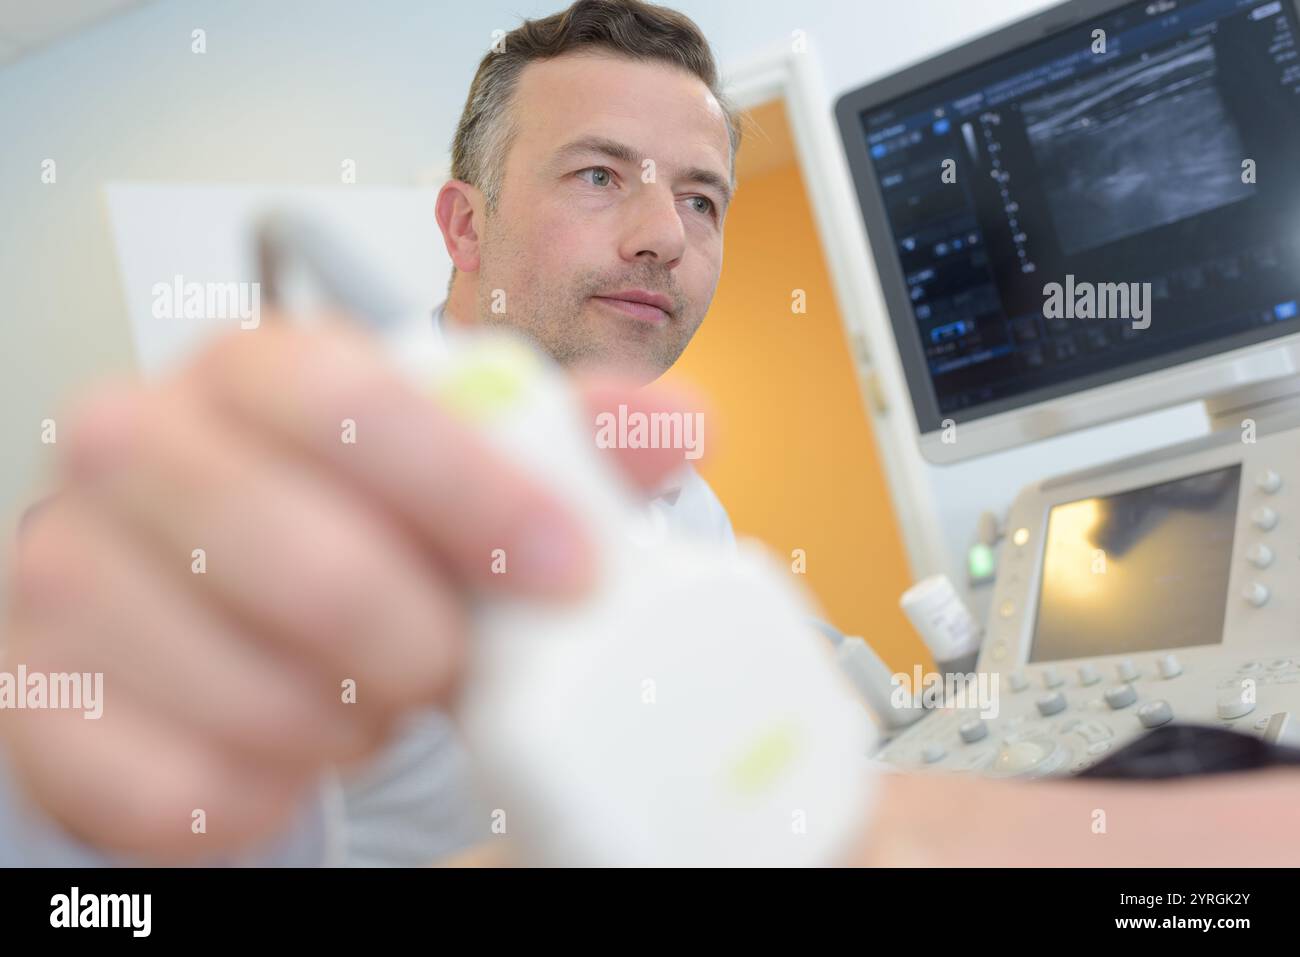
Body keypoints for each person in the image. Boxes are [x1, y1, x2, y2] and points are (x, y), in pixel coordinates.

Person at [2, 0, 1296, 868]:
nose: (664, 235)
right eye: (597, 174)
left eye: (701, 197)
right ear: (462, 227)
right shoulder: (335, 467)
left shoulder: (670, 498)